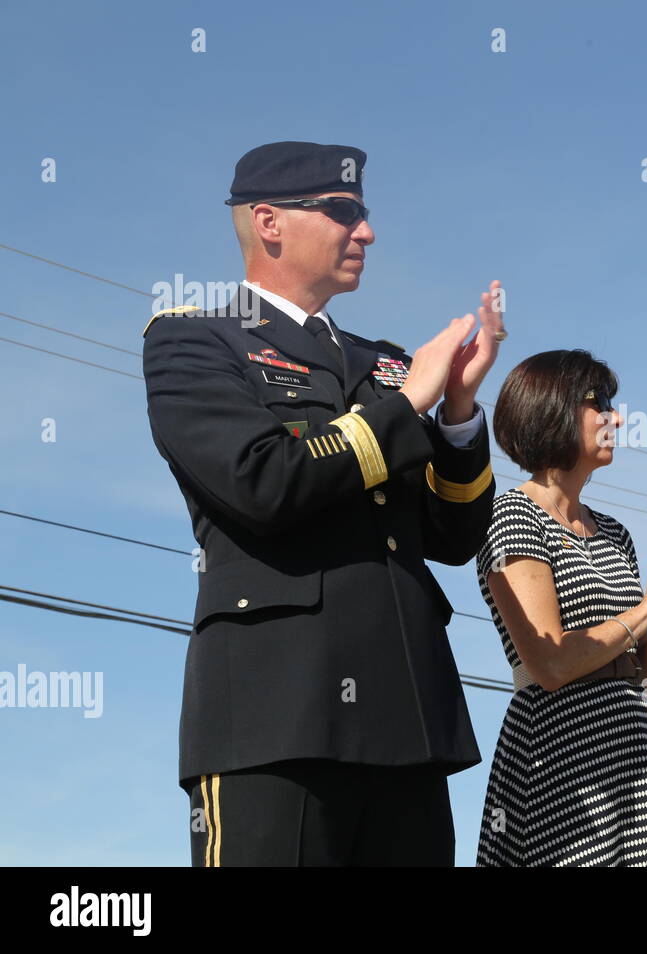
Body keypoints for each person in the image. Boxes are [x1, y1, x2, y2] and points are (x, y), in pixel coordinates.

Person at [143, 141, 503, 865]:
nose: (364, 232)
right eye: (342, 212)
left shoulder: (387, 362)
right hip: (275, 719)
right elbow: (263, 484)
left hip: (408, 720)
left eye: (363, 214)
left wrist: (459, 412)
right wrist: (410, 405)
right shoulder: (193, 341)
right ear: (270, 223)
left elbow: (454, 533)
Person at [475, 350, 647, 866]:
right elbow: (551, 664)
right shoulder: (511, 516)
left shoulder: (614, 532)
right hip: (559, 756)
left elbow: (644, 676)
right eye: (600, 402)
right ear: (551, 409)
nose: (617, 417)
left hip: (631, 751)